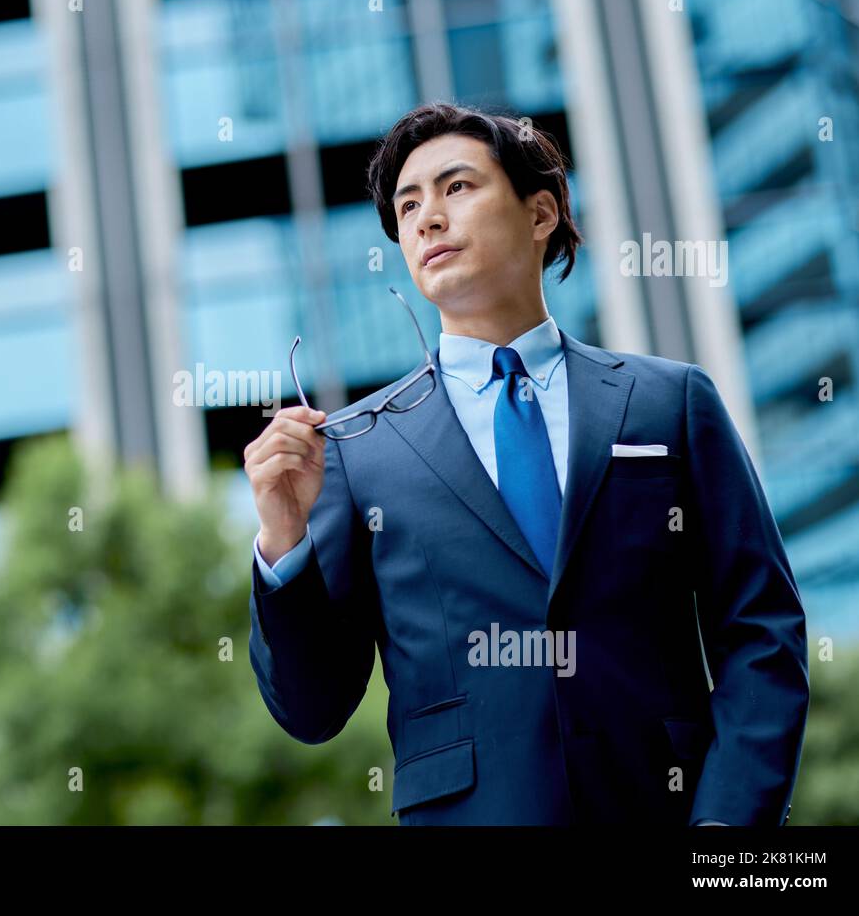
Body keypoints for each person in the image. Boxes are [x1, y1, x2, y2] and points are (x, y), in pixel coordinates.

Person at [242, 102, 809, 825]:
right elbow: (312, 707)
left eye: (456, 187)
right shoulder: (356, 447)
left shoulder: (671, 402)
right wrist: (283, 539)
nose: (426, 218)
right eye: (407, 206)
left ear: (540, 214)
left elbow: (761, 629)